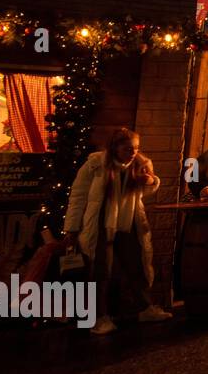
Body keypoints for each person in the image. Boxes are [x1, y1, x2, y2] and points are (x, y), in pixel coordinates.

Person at [64, 128, 172, 335]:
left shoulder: (140, 165)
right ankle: (98, 316)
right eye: (128, 148)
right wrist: (72, 228)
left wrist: (151, 182)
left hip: (129, 222)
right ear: (115, 147)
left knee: (136, 265)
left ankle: (144, 308)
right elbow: (78, 196)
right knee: (100, 269)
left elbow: (146, 190)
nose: (133, 152)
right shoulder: (95, 165)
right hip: (100, 222)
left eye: (136, 148)